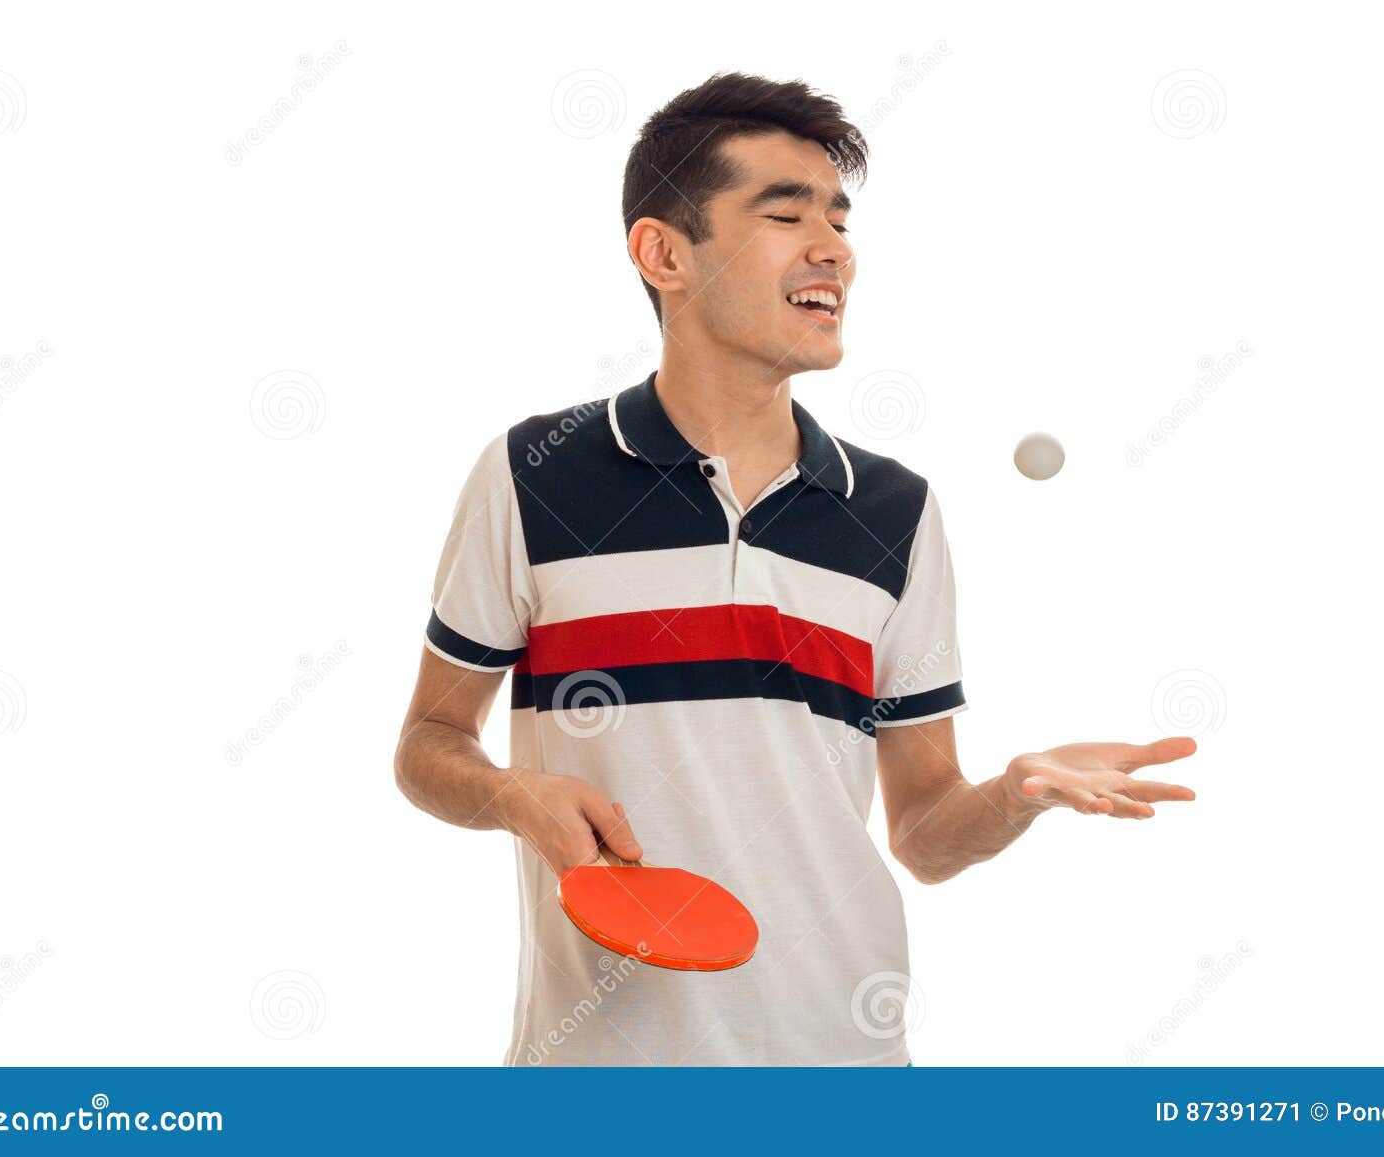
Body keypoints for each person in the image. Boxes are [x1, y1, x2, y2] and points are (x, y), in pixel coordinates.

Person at [394, 72, 1198, 1066]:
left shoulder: (894, 510)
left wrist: (1015, 792)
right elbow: (429, 741)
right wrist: (519, 796)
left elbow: (924, 831)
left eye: (839, 219)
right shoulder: (534, 472)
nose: (834, 250)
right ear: (663, 253)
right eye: (786, 213)